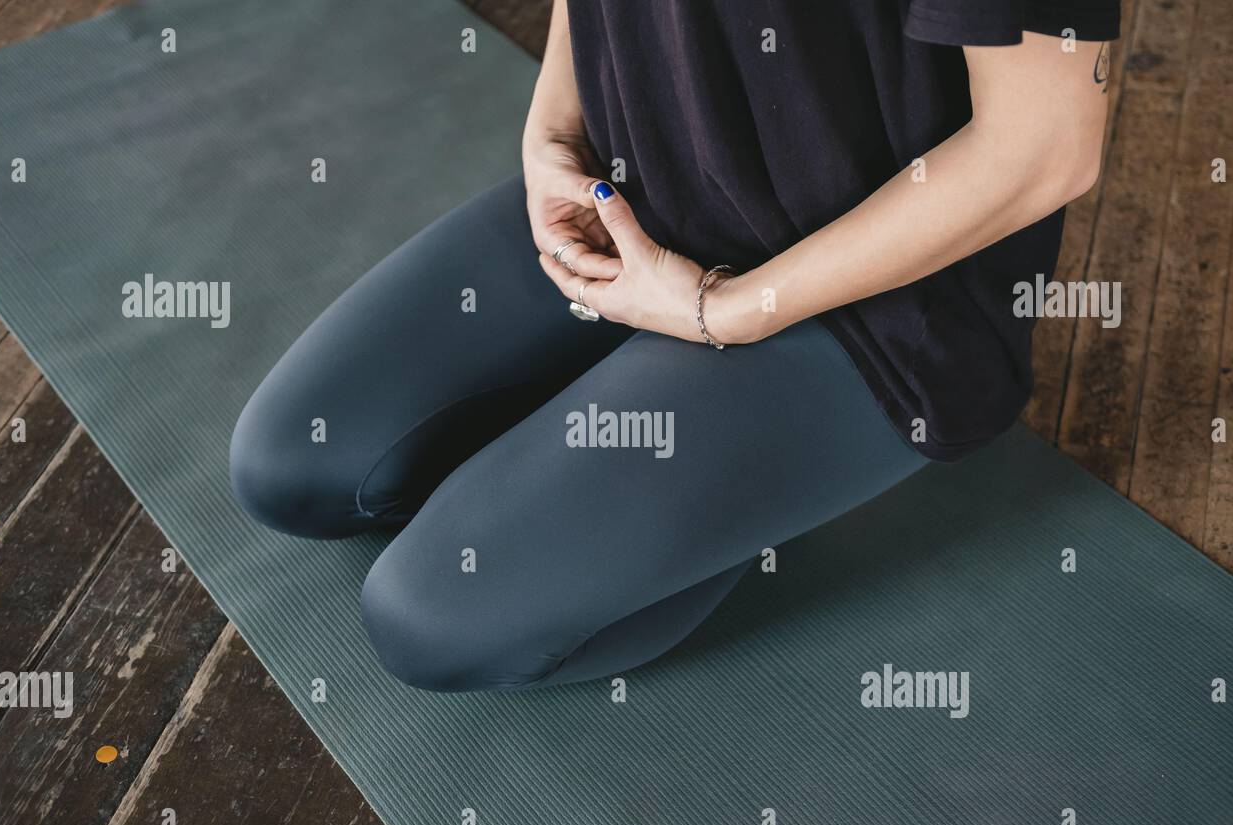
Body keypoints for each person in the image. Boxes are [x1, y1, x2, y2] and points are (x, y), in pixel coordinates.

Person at [229, 0, 1119, 692]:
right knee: (288, 466)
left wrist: (725, 312)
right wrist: (554, 134)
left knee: (427, 620)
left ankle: (743, 479)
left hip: (874, 300)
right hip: (640, 182)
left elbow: (1046, 146)